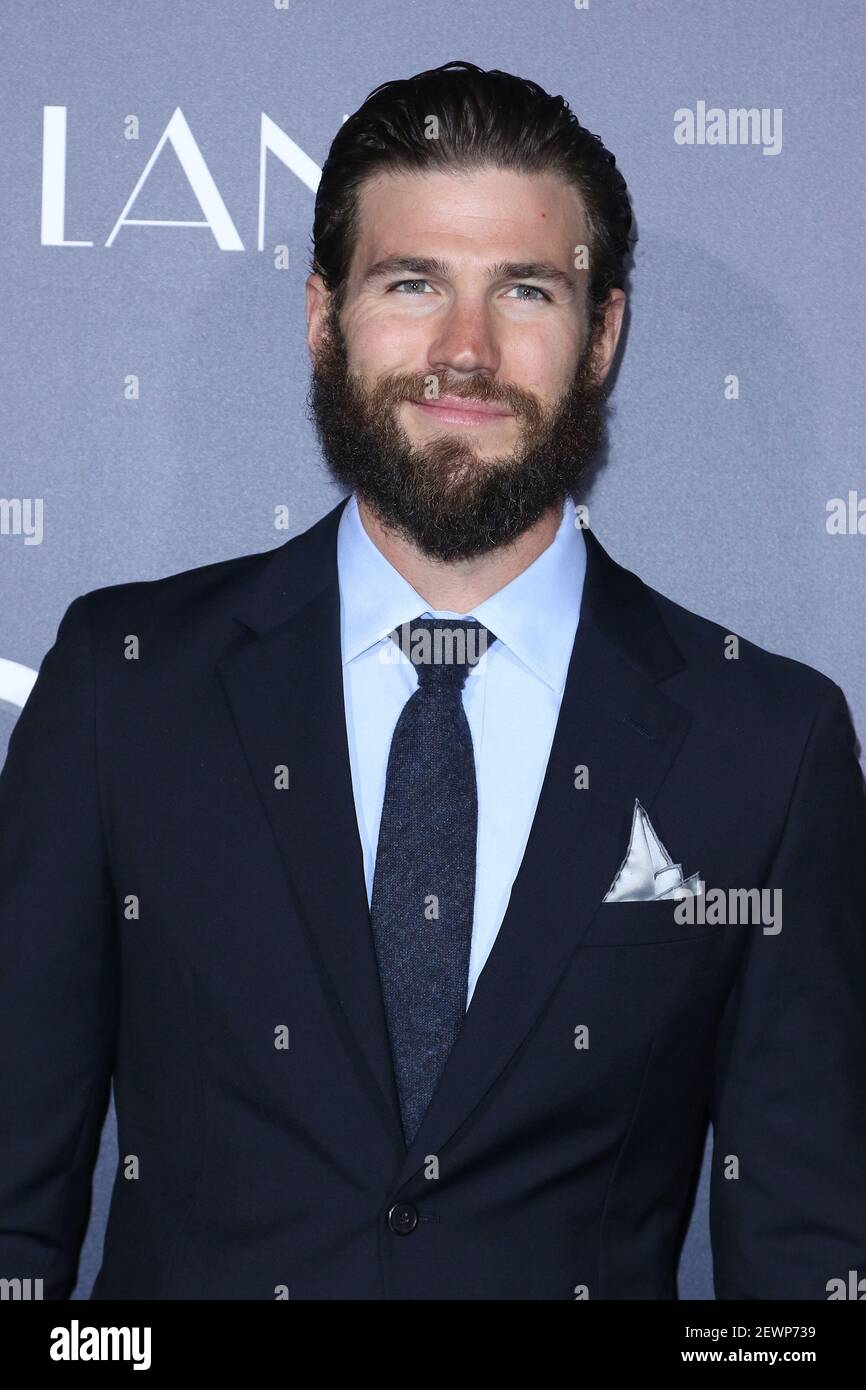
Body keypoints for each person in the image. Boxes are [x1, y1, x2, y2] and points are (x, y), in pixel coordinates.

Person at [1, 60, 864, 1301]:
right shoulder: (124, 688)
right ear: (320, 316)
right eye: (411, 284)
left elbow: (802, 1269)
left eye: (523, 289)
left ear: (604, 332)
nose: (464, 352)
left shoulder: (762, 743)